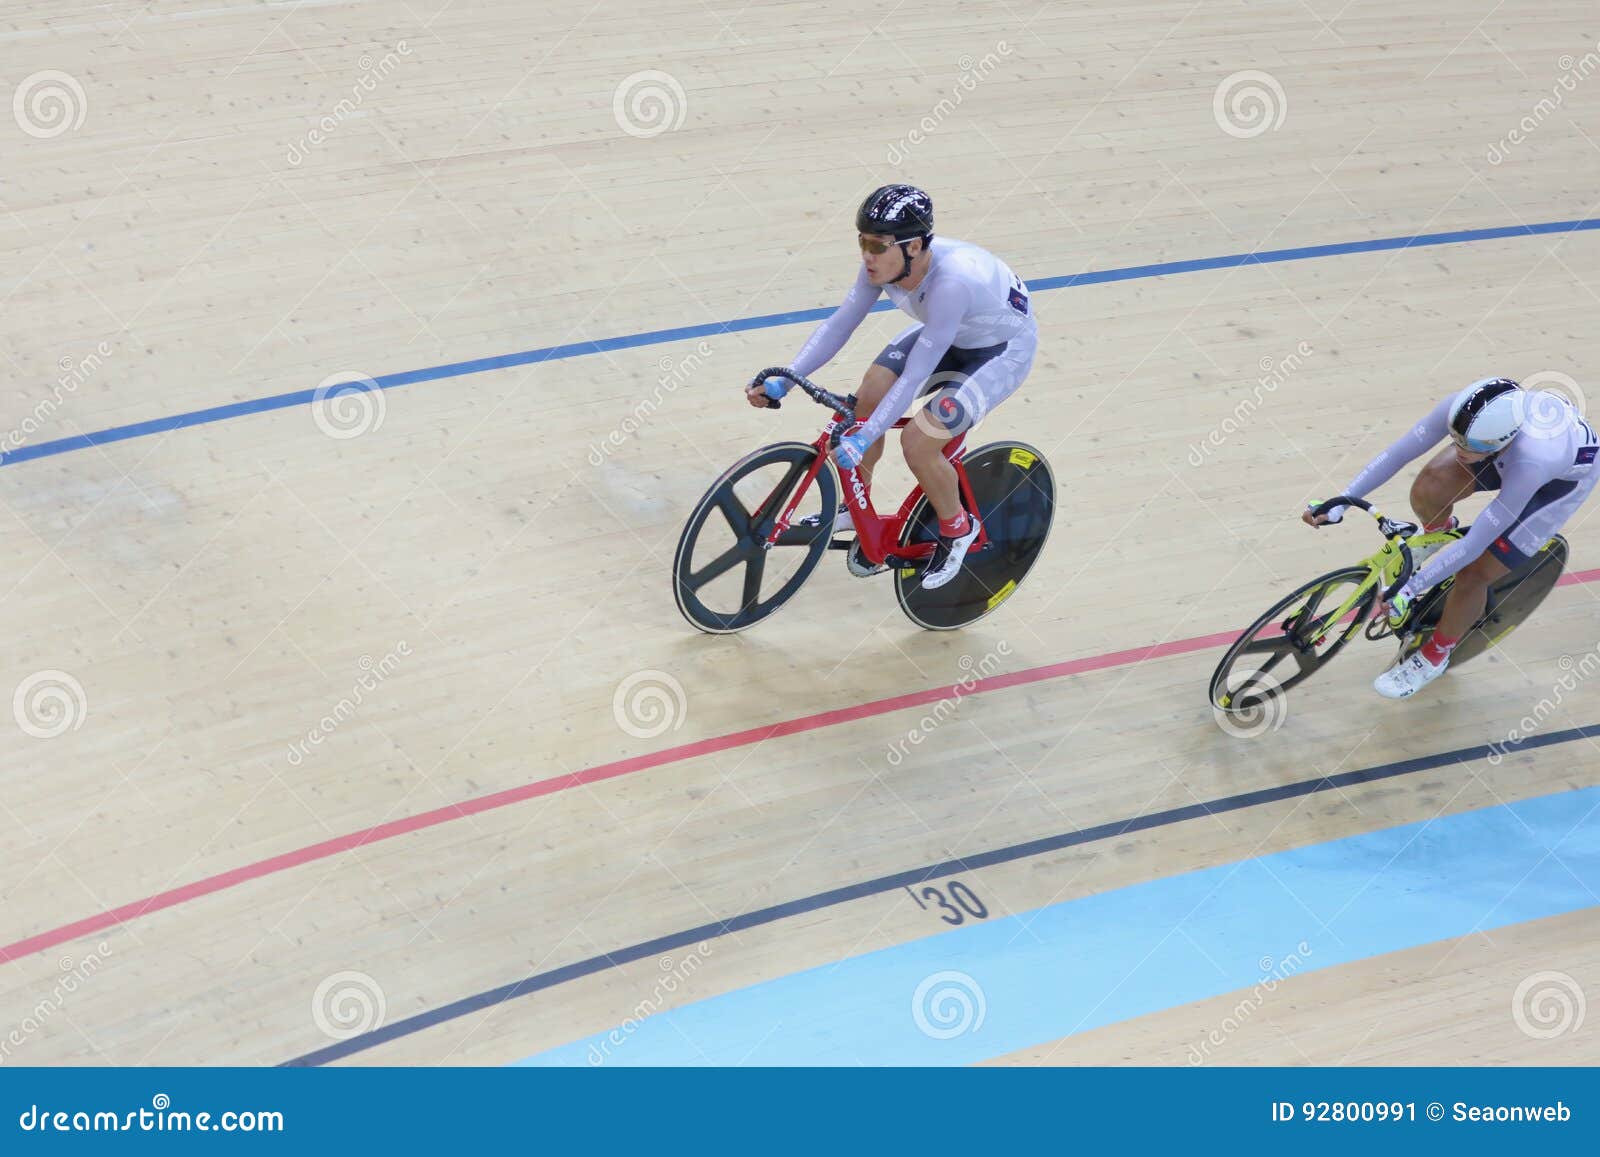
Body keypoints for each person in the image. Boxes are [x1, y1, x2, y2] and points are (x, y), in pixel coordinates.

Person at [744, 184, 1037, 589]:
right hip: (952, 335)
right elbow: (839, 325)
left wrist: (864, 438)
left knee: (920, 440)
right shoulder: (884, 265)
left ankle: (957, 529)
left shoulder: (952, 283)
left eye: (878, 245)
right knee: (869, 394)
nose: (867, 255)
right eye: (863, 242)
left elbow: (917, 374)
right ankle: (853, 508)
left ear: (913, 246)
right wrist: (785, 379)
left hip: (1000, 352)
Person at [1304, 376, 1598, 698]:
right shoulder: (1465, 411)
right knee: (1431, 485)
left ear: (1501, 441)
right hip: (1510, 453)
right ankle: (1437, 536)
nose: (1458, 451)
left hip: (1555, 487)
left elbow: (1476, 543)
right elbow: (1397, 454)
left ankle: (1435, 656)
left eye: (1468, 448)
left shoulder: (1532, 461)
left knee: (1474, 573)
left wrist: (1410, 589)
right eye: (1455, 440)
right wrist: (1342, 501)